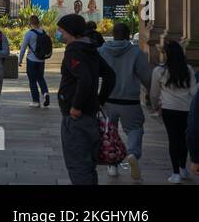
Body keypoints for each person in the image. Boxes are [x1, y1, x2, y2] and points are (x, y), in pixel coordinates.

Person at [56, 14, 115, 186]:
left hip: (76, 118)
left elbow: (85, 78)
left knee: (78, 165)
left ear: (71, 32)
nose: (59, 34)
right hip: (90, 116)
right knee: (88, 165)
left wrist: (76, 105)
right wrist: (99, 100)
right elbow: (110, 75)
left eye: (61, 31)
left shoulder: (74, 50)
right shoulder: (90, 49)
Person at [99, 22, 151, 180]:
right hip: (130, 100)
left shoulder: (101, 51)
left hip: (108, 99)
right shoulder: (136, 52)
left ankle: (112, 166)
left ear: (113, 34)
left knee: (110, 132)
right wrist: (151, 92)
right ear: (129, 35)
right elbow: (147, 76)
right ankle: (133, 154)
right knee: (135, 128)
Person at [148, 39, 198, 183]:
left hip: (169, 109)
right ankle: (183, 168)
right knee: (184, 140)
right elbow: (194, 91)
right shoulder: (188, 69)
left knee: (173, 140)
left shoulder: (159, 71)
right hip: (186, 109)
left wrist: (155, 105)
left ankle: (175, 172)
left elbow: (154, 93)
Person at [17, 14, 52, 109]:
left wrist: (20, 60)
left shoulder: (29, 34)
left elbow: (23, 47)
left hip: (31, 60)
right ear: (38, 22)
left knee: (32, 80)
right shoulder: (44, 32)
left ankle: (36, 101)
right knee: (41, 78)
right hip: (41, 60)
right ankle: (45, 93)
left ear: (30, 23)